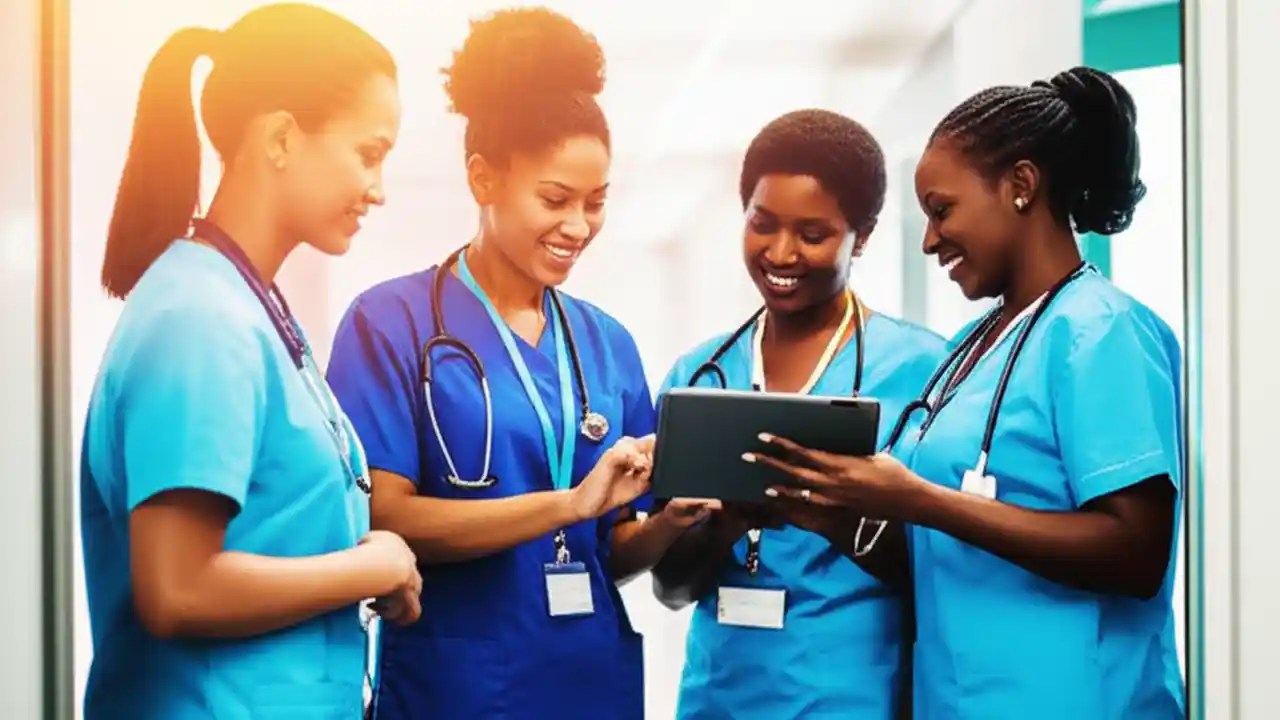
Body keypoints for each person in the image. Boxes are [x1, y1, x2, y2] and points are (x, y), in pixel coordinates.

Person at [750, 67, 1184, 719]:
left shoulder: (1100, 329)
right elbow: (939, 558)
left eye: (942, 210)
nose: (930, 240)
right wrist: (838, 516)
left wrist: (921, 499)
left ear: (1021, 186)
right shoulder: (967, 351)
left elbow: (1136, 552)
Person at [324, 8, 713, 719]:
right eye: (554, 199)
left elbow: (608, 549)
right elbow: (383, 516)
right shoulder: (392, 323)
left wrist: (668, 525)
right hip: (457, 688)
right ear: (483, 178)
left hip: (590, 685)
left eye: (595, 202)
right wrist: (568, 504)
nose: (578, 226)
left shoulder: (608, 344)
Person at [79, 5, 422, 718]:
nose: (379, 188)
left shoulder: (247, 306)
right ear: (282, 138)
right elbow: (178, 589)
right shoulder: (200, 319)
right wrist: (369, 566)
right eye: (368, 153)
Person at [650, 109, 947, 719]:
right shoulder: (699, 376)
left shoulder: (924, 369)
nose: (781, 253)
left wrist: (836, 518)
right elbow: (670, 587)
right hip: (719, 698)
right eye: (763, 225)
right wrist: (726, 525)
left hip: (851, 698)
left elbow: (946, 576)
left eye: (813, 235)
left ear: (862, 237)